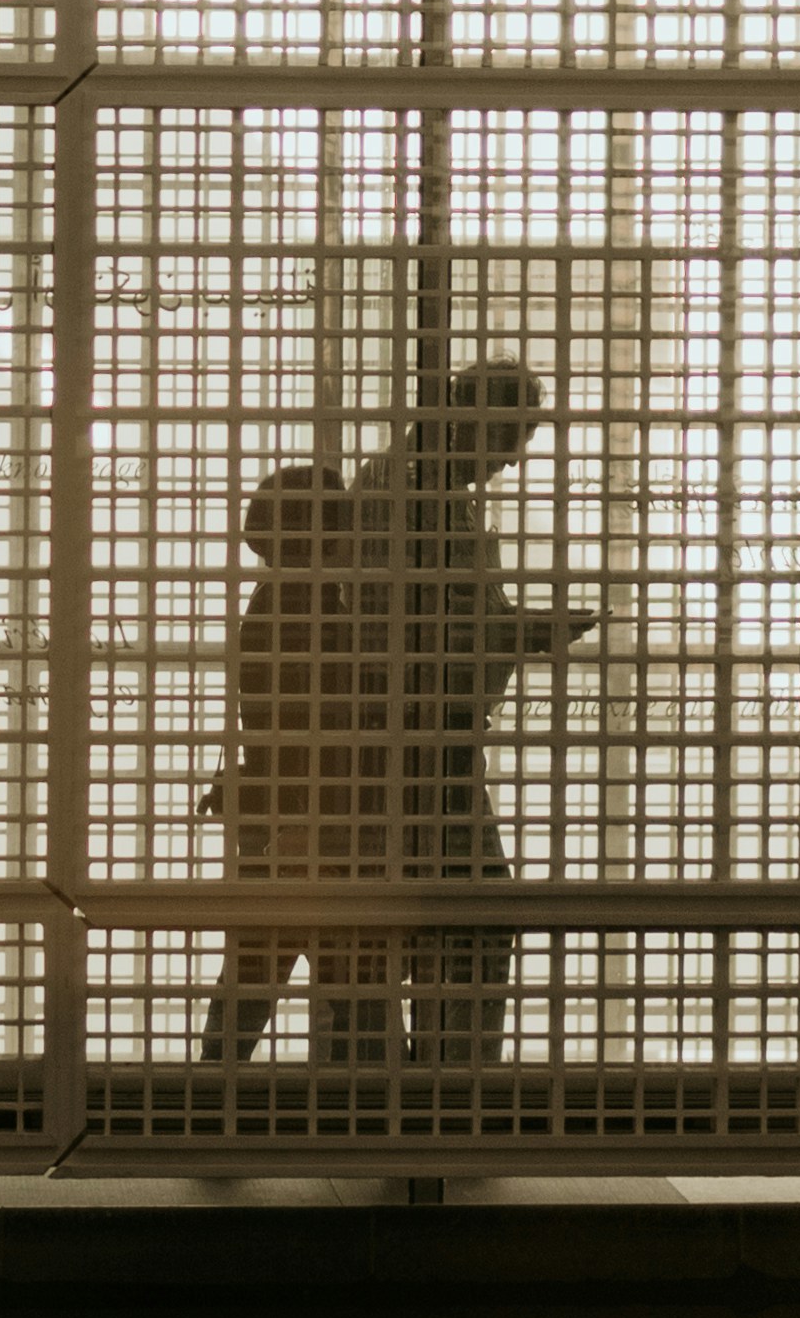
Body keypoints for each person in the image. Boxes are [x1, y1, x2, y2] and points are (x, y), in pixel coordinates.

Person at [189, 352, 589, 1097]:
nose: (507, 464)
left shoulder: (297, 592)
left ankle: (246, 1098)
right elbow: (385, 662)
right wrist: (514, 634)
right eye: (507, 443)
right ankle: (429, 1097)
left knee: (289, 956)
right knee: (370, 945)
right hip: (371, 776)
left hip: (333, 787)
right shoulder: (386, 513)